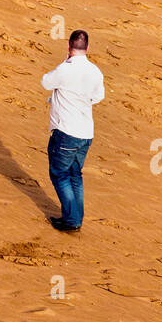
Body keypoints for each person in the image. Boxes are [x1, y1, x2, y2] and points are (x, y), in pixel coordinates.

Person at [41, 29, 104, 233]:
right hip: (86, 133)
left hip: (66, 132)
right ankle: (76, 217)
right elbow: (98, 97)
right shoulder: (95, 71)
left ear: (69, 47)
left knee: (60, 175)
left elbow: (45, 82)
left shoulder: (65, 69)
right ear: (88, 48)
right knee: (75, 175)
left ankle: (72, 220)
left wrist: (65, 61)